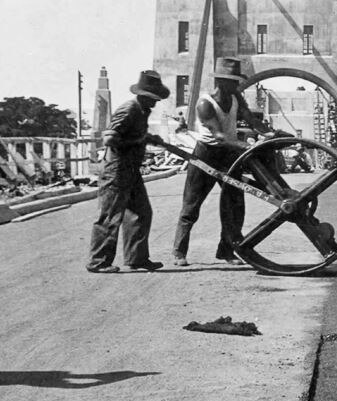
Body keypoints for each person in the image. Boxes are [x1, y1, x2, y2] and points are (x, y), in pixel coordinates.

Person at [172, 58, 271, 266]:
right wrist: (246, 146)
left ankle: (226, 251)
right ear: (221, 82)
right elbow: (219, 136)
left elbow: (250, 119)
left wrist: (267, 133)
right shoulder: (205, 104)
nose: (237, 86)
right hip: (205, 155)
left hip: (228, 155)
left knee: (234, 205)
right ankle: (179, 252)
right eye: (233, 82)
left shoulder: (235, 96)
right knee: (191, 205)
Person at [86, 70, 170, 273]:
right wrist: (139, 141)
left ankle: (137, 259)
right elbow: (110, 139)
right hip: (117, 170)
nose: (156, 103)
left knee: (141, 213)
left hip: (131, 170)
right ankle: (98, 261)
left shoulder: (142, 110)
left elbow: (134, 133)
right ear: (144, 95)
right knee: (110, 216)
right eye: (154, 99)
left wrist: (149, 138)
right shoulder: (129, 109)